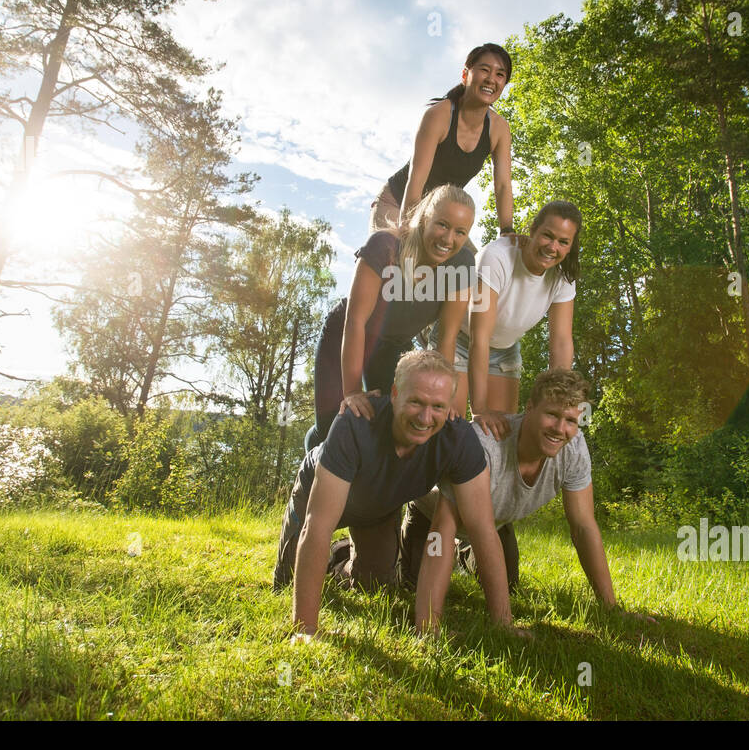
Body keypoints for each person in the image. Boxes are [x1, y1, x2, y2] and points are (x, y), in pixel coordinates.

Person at [274, 350, 523, 641]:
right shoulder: (354, 423)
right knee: (286, 583)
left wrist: (503, 623)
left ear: (451, 406)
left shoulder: (458, 439)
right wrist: (306, 629)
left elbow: (482, 527)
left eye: (438, 406)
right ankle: (314, 558)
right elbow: (317, 526)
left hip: (377, 508)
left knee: (374, 585)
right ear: (394, 394)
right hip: (320, 497)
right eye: (416, 401)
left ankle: (338, 557)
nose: (425, 417)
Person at [404, 369, 656, 633]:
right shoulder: (485, 444)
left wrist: (611, 608)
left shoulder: (573, 450)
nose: (560, 429)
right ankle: (376, 548)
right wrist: (427, 625)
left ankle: (465, 553)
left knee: (507, 584)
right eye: (552, 415)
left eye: (570, 420)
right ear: (530, 407)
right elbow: (442, 529)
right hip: (431, 516)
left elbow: (583, 526)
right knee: (397, 582)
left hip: (491, 524)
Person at [432, 200, 583, 568]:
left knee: (503, 439)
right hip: (466, 342)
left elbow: (561, 342)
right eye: (547, 235)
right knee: (452, 429)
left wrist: (565, 406)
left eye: (564, 242)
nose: (553, 247)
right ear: (532, 231)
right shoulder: (498, 257)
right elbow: (480, 335)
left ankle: (481, 543)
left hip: (505, 350)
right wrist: (479, 407)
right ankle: (428, 520)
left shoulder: (563, 277)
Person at [305, 185, 477, 453]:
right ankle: (312, 460)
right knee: (335, 425)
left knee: (389, 427)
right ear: (423, 220)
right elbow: (356, 322)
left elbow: (447, 337)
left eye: (460, 232)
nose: (448, 239)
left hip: (392, 347)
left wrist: (445, 396)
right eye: (442, 225)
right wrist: (351, 393)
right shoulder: (385, 246)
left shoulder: (463, 263)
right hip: (346, 335)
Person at [369, 44, 516, 237]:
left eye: (500, 74)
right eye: (484, 70)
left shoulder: (499, 128)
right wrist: (406, 232)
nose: (491, 79)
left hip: (439, 215)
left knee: (467, 265)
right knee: (393, 262)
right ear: (465, 75)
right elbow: (416, 179)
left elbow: (503, 185)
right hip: (399, 203)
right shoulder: (438, 115)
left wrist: (506, 231)